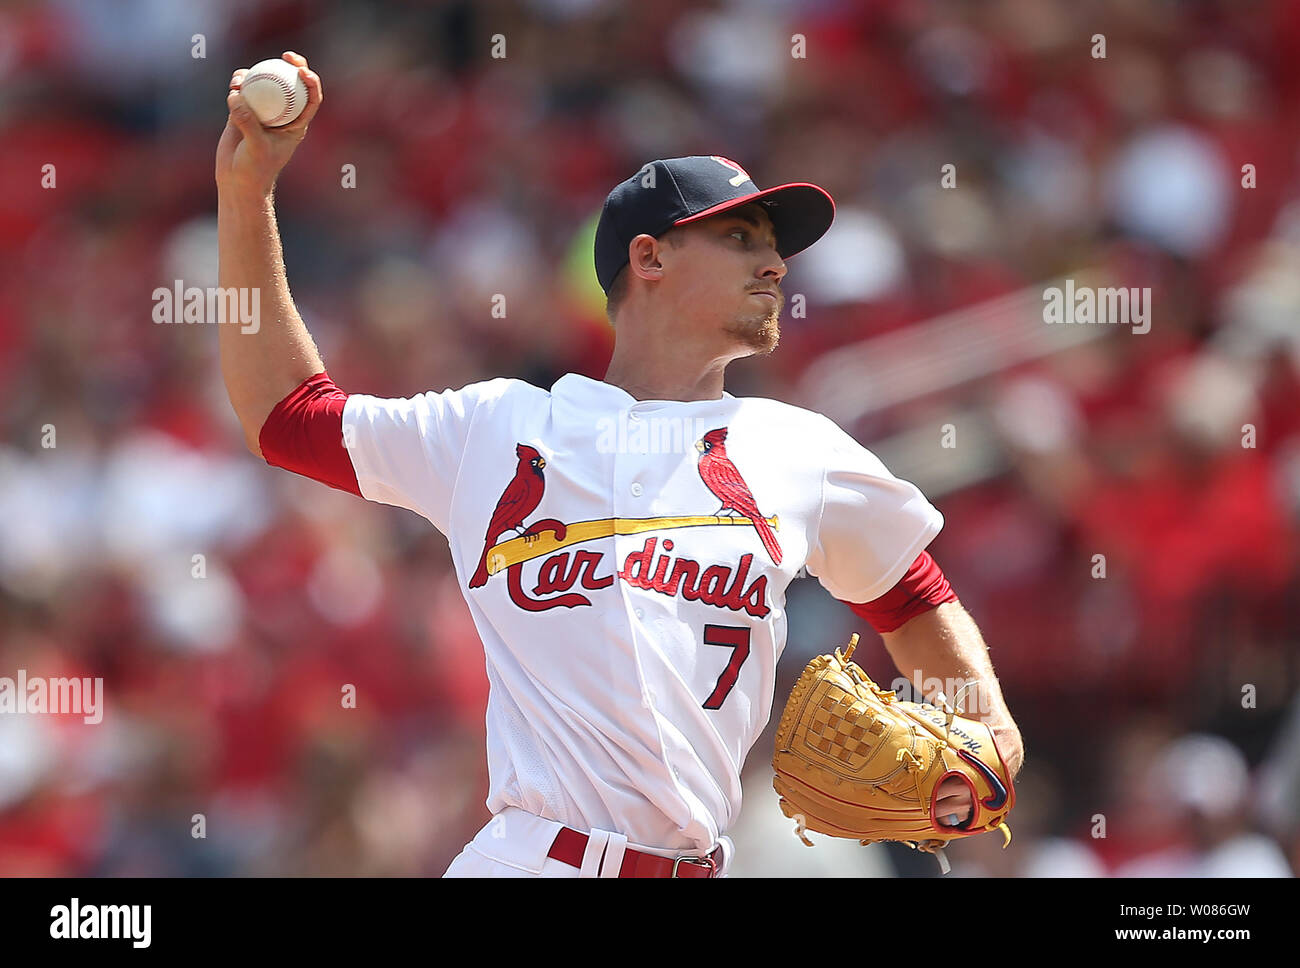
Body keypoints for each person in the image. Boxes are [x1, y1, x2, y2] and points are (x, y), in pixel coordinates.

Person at [215, 52, 1024, 878]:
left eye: (775, 247)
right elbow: (287, 416)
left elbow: (910, 592)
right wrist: (248, 197)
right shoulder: (500, 427)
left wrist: (987, 723)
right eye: (740, 238)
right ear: (650, 259)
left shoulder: (798, 450)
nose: (774, 265)